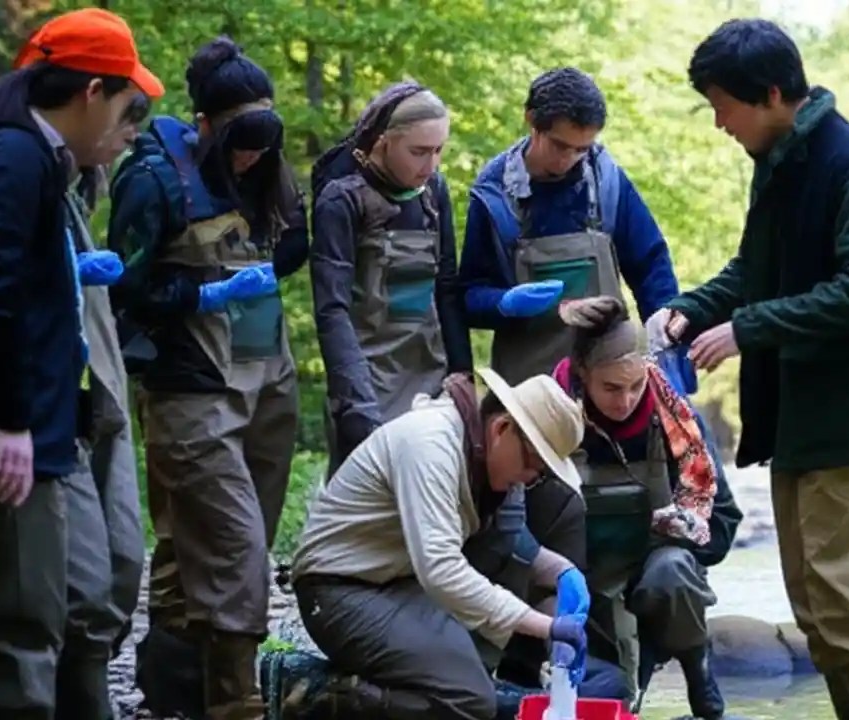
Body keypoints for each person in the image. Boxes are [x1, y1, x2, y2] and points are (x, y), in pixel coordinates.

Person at [657, 18, 849, 720]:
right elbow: (757, 269)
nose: (718, 123)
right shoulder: (780, 167)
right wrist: (693, 310)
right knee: (819, 613)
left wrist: (750, 327)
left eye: (723, 105)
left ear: (772, 94)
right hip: (803, 425)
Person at [0, 8, 161, 717]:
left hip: (9, 425)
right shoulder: (10, 157)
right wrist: (11, 421)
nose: (125, 121)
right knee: (14, 626)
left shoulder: (7, 151)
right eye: (124, 102)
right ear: (91, 93)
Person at [106, 36, 310, 719]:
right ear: (206, 127)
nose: (250, 158)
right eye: (240, 145)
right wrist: (200, 297)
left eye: (262, 146)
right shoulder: (153, 180)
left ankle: (171, 692)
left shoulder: (265, 176)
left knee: (192, 546)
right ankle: (237, 704)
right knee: (237, 554)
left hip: (265, 381)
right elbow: (125, 291)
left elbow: (289, 250)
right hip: (189, 385)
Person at [290, 369, 591, 720]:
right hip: (337, 590)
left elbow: (508, 544)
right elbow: (441, 569)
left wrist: (563, 572)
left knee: (474, 688)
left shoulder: (478, 454)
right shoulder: (432, 444)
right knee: (469, 701)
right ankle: (322, 697)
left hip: (395, 585)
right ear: (502, 428)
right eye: (532, 464)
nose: (530, 478)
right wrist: (545, 626)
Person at [551, 302, 743, 719]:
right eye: (611, 388)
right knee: (610, 698)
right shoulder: (549, 416)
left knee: (673, 571)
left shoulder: (675, 416)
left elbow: (725, 523)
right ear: (582, 374)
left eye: (635, 386)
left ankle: (698, 673)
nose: (626, 401)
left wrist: (689, 527)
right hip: (577, 582)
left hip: (655, 579)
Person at [458, 67, 679, 387]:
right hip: (529, 388)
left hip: (610, 385)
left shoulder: (606, 181)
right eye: (560, 146)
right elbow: (468, 296)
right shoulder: (494, 195)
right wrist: (504, 304)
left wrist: (669, 351)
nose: (570, 160)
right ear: (532, 120)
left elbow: (650, 266)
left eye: (582, 149)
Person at [309, 81, 473, 477]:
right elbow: (331, 309)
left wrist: (462, 374)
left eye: (439, 151)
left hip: (430, 379)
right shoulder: (342, 199)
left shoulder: (433, 191)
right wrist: (356, 402)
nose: (430, 164)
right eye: (418, 152)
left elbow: (446, 284)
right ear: (383, 142)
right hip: (367, 381)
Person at [55, 88, 153, 718]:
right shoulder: (12, 176)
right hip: (37, 421)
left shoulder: (76, 189)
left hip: (94, 411)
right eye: (123, 124)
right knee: (81, 592)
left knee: (119, 564)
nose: (127, 142)